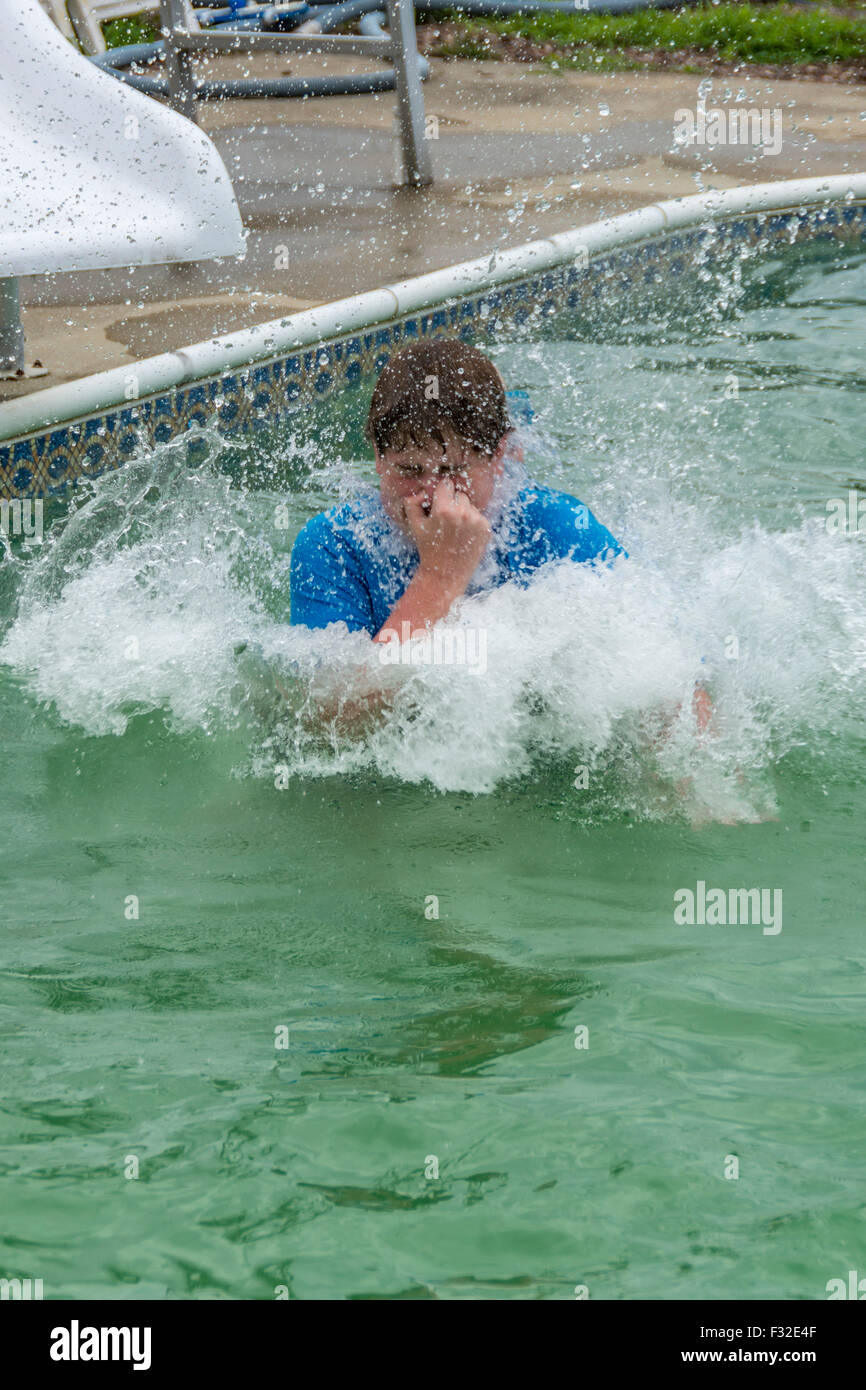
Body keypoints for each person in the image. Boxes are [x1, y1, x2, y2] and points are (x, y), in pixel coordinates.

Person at [290, 338, 625, 645]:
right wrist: (439, 576)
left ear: (496, 457)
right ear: (378, 457)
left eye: (453, 471)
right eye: (409, 470)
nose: (434, 495)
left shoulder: (555, 527)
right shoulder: (335, 544)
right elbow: (331, 707)